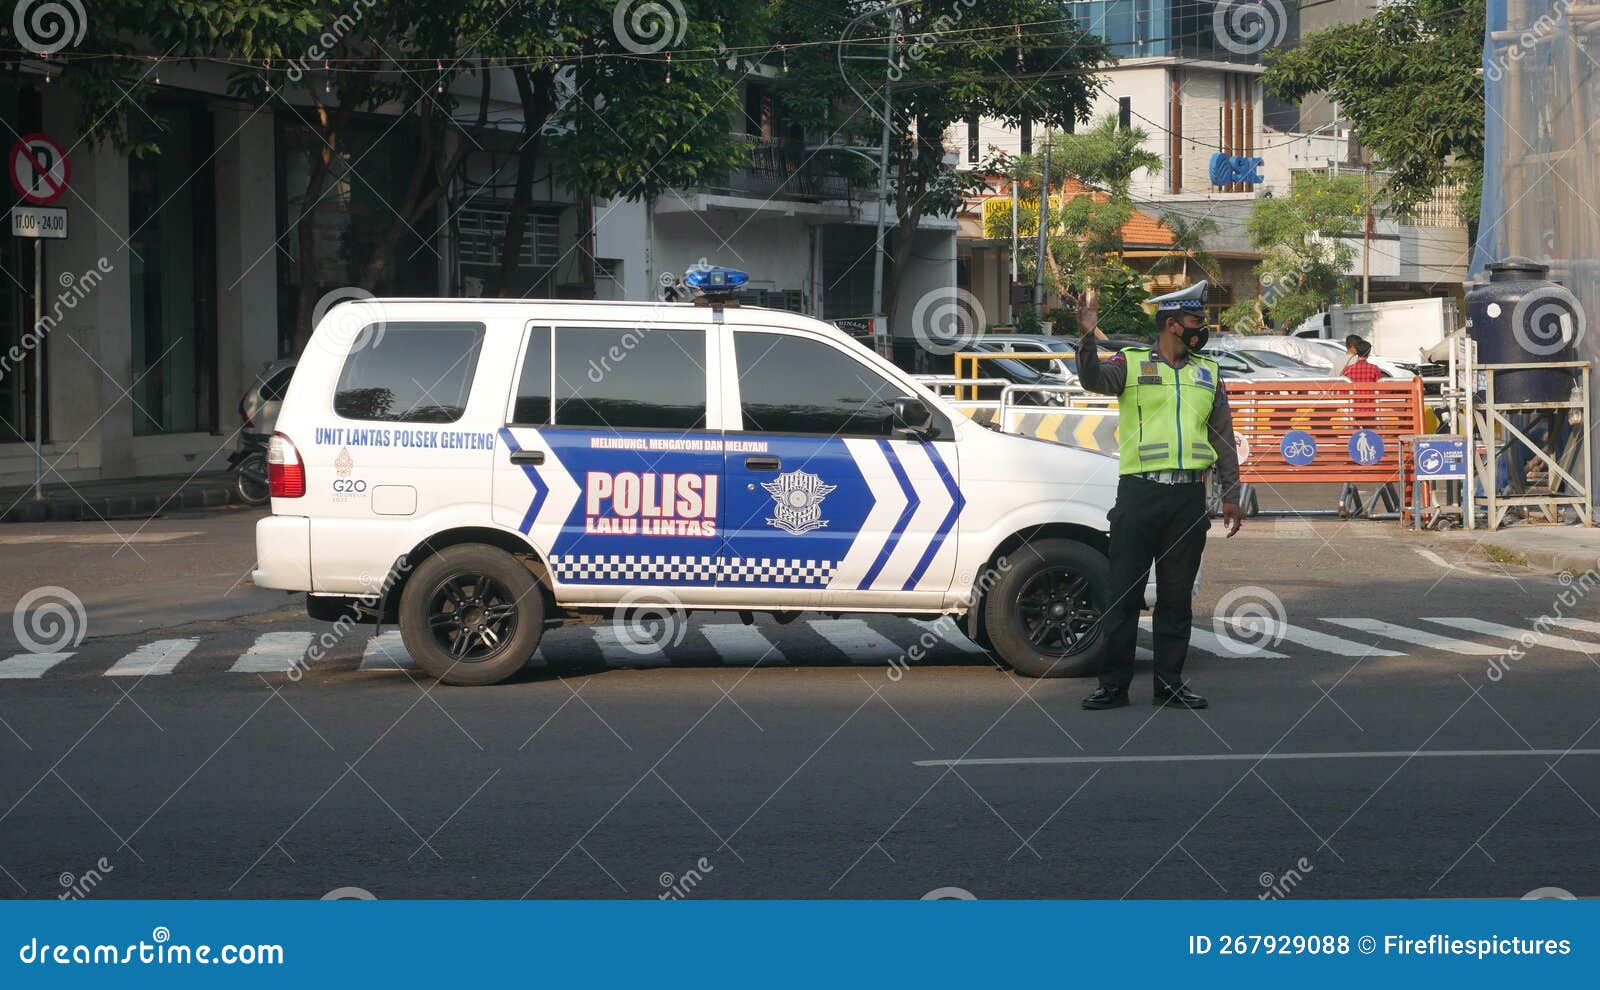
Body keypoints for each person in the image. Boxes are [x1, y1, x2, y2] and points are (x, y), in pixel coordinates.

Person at [1074, 281, 1242, 711]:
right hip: (1139, 495)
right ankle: (1113, 686)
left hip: (1187, 500)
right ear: (1171, 324)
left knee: (1175, 598)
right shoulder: (1129, 364)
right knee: (1123, 594)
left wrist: (1230, 492)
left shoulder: (1208, 371)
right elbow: (1093, 380)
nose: (1201, 329)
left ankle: (1169, 684)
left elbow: (1221, 435)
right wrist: (1087, 337)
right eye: (1194, 321)